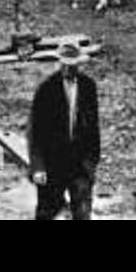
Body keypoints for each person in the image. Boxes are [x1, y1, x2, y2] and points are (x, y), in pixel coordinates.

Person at [28, 40, 100, 220]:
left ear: (79, 64)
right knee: (46, 212)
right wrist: (38, 167)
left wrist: (91, 163)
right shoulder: (46, 89)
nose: (68, 69)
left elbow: (93, 127)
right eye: (64, 65)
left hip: (79, 164)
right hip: (53, 164)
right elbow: (35, 131)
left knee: (83, 213)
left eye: (72, 65)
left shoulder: (88, 87)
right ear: (59, 63)